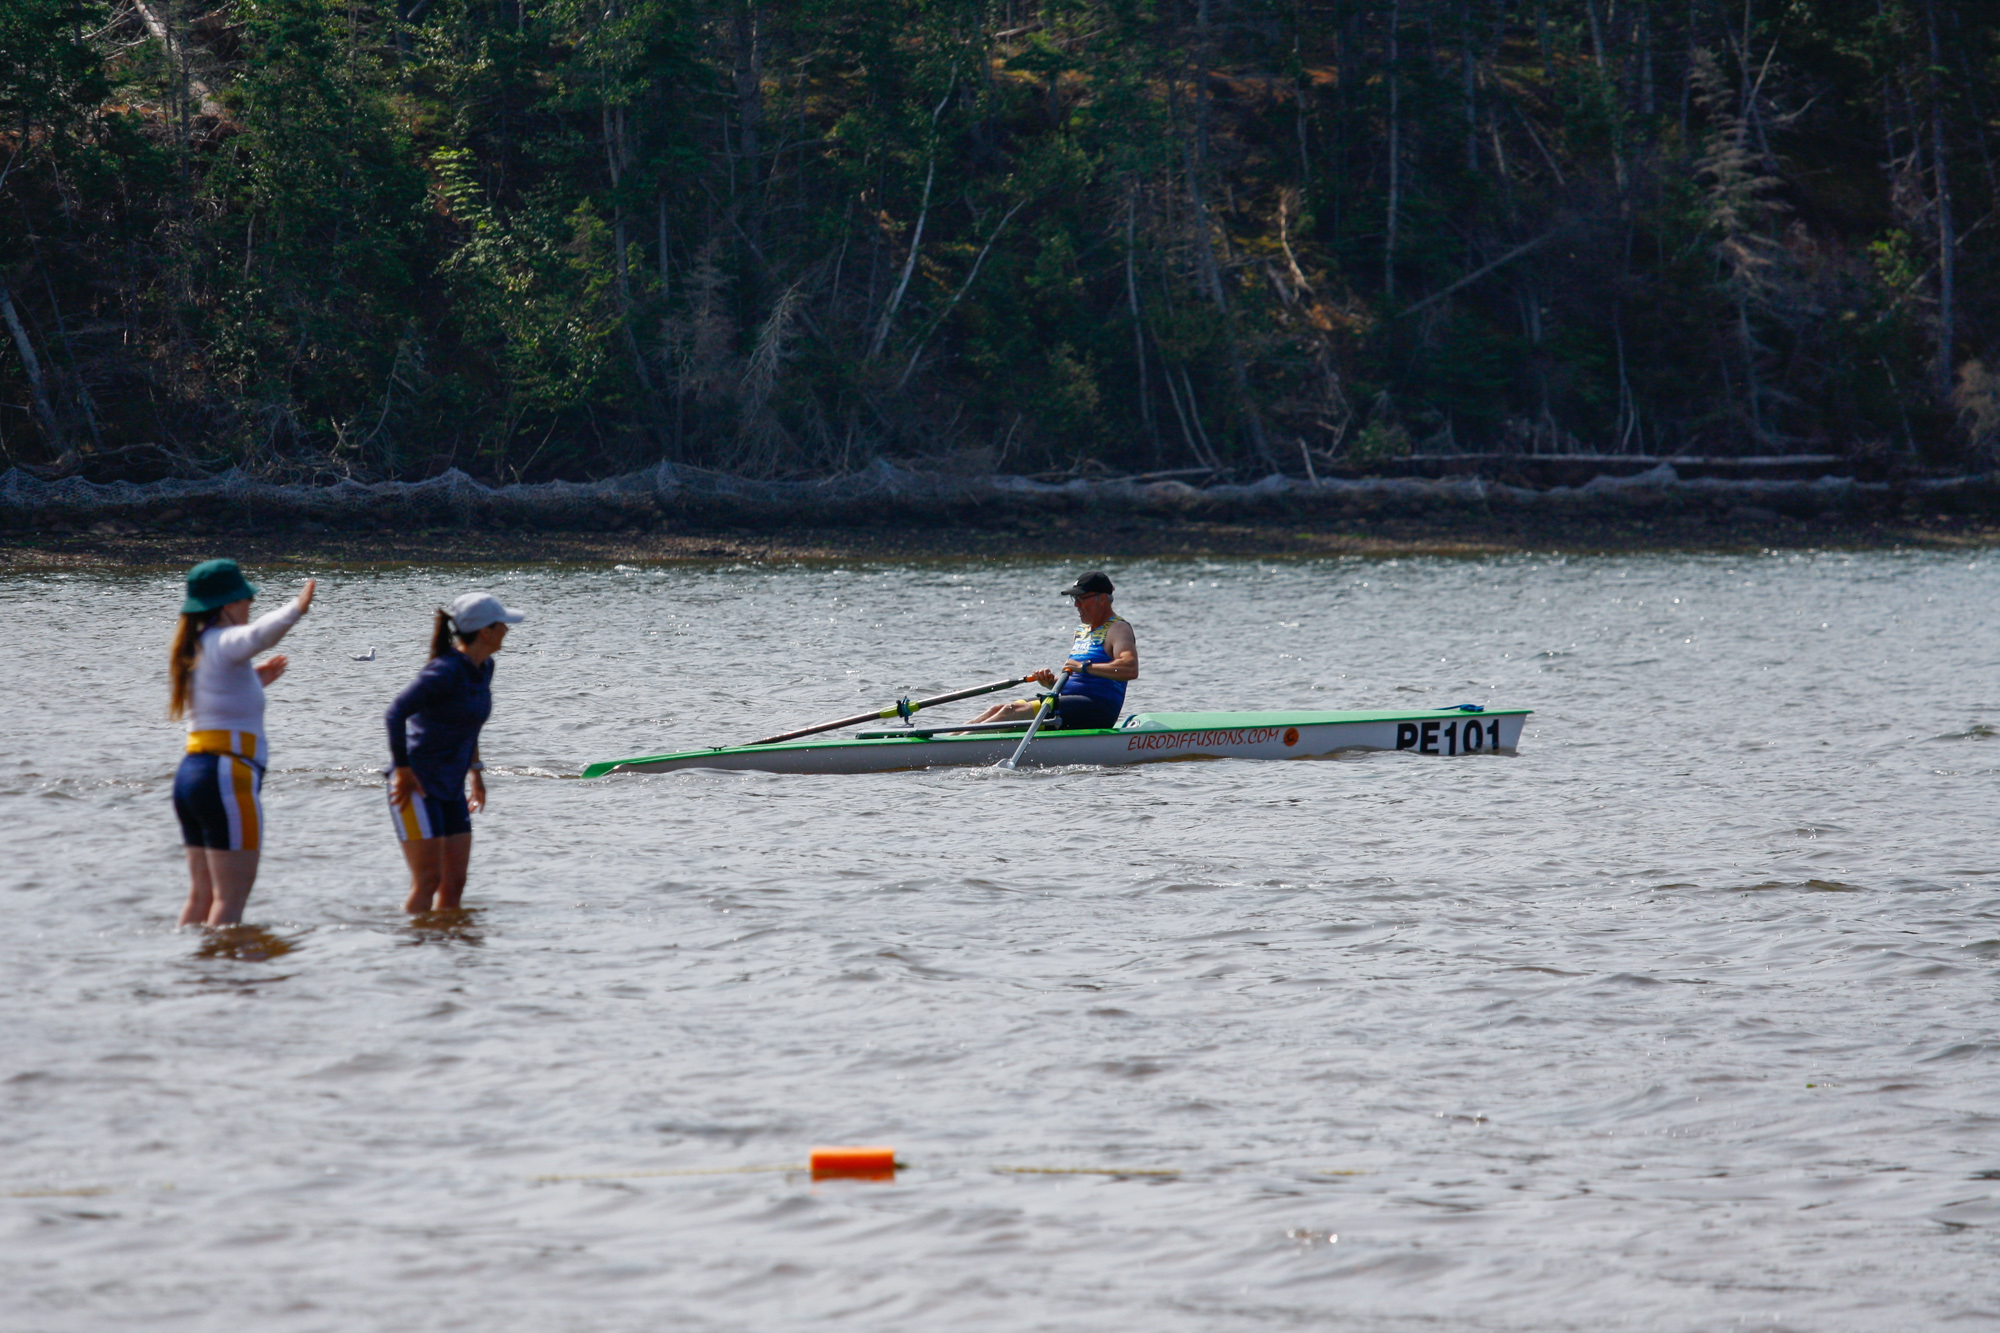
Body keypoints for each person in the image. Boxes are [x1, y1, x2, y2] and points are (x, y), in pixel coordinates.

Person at [168, 560, 317, 927]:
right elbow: (257, 636)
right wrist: (296, 608)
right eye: (245, 598)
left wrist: (255, 679)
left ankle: (188, 961)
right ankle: (226, 966)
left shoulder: (199, 645)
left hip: (192, 776)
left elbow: (220, 697)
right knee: (229, 902)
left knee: (202, 896)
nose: (250, 603)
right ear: (227, 604)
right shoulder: (224, 639)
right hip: (225, 775)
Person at [385, 591, 524, 915]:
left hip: (451, 786)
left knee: (455, 882)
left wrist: (476, 774)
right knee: (428, 880)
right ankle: (413, 942)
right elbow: (395, 713)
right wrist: (403, 771)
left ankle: (448, 945)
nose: (507, 629)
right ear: (486, 632)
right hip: (415, 786)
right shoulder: (444, 671)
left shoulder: (484, 667)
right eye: (502, 624)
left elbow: (468, 725)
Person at [970, 571, 1138, 730]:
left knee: (1012, 712)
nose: (1076, 604)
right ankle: (955, 740)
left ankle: (960, 746)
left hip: (1098, 709)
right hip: (1072, 704)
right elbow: (1080, 682)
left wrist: (1084, 666)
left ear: (1102, 599)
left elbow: (1130, 668)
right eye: (1074, 599)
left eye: (1082, 598)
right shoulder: (1082, 631)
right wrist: (1051, 682)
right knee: (998, 709)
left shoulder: (1118, 629)